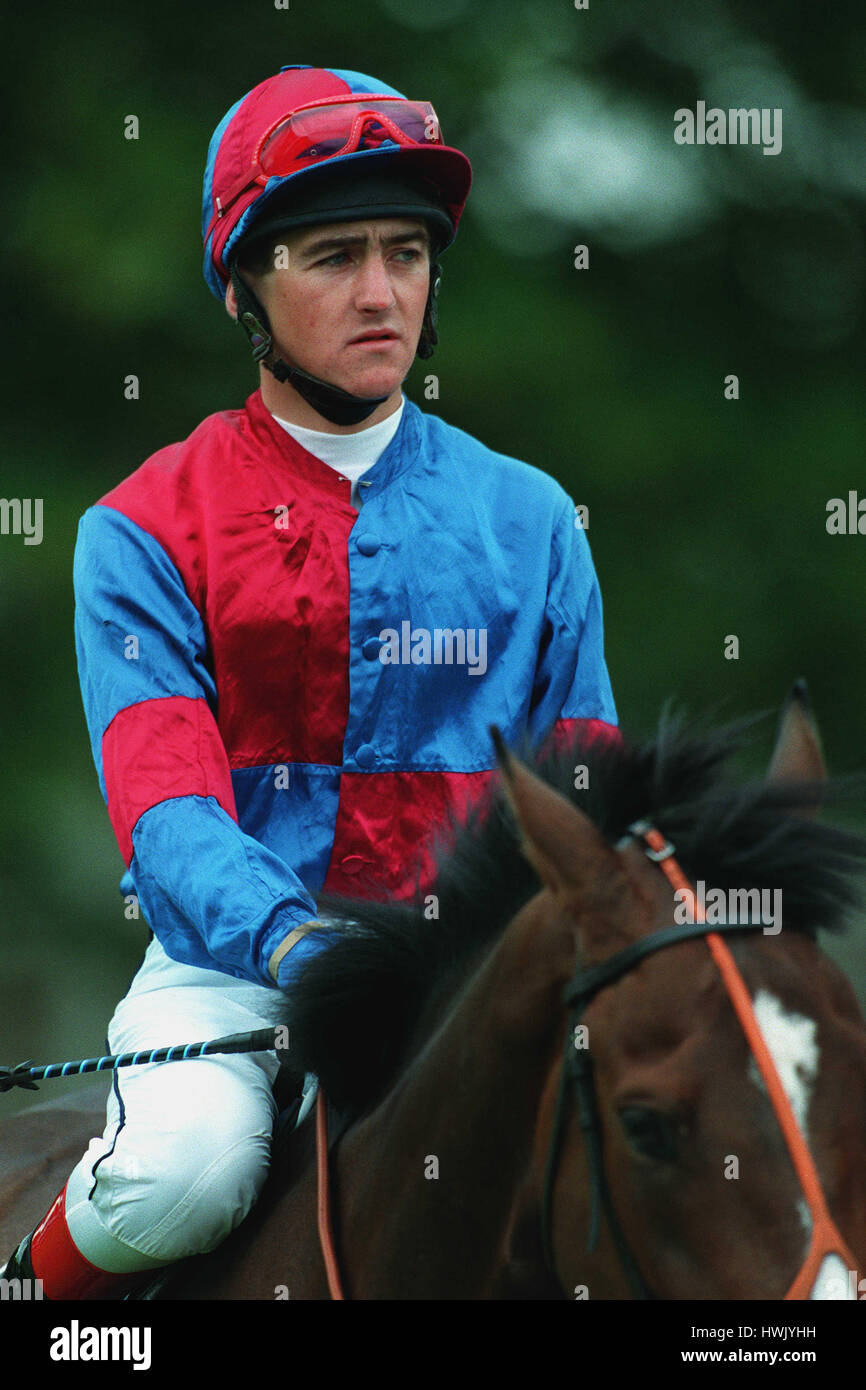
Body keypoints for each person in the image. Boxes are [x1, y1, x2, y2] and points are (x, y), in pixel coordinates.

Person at [2, 64, 617, 1297]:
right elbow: (168, 813)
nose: (381, 292)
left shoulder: (535, 519)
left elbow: (584, 774)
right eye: (332, 256)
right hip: (237, 963)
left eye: (406, 252)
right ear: (244, 285)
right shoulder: (141, 527)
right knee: (183, 1172)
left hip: (473, 972)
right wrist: (298, 942)